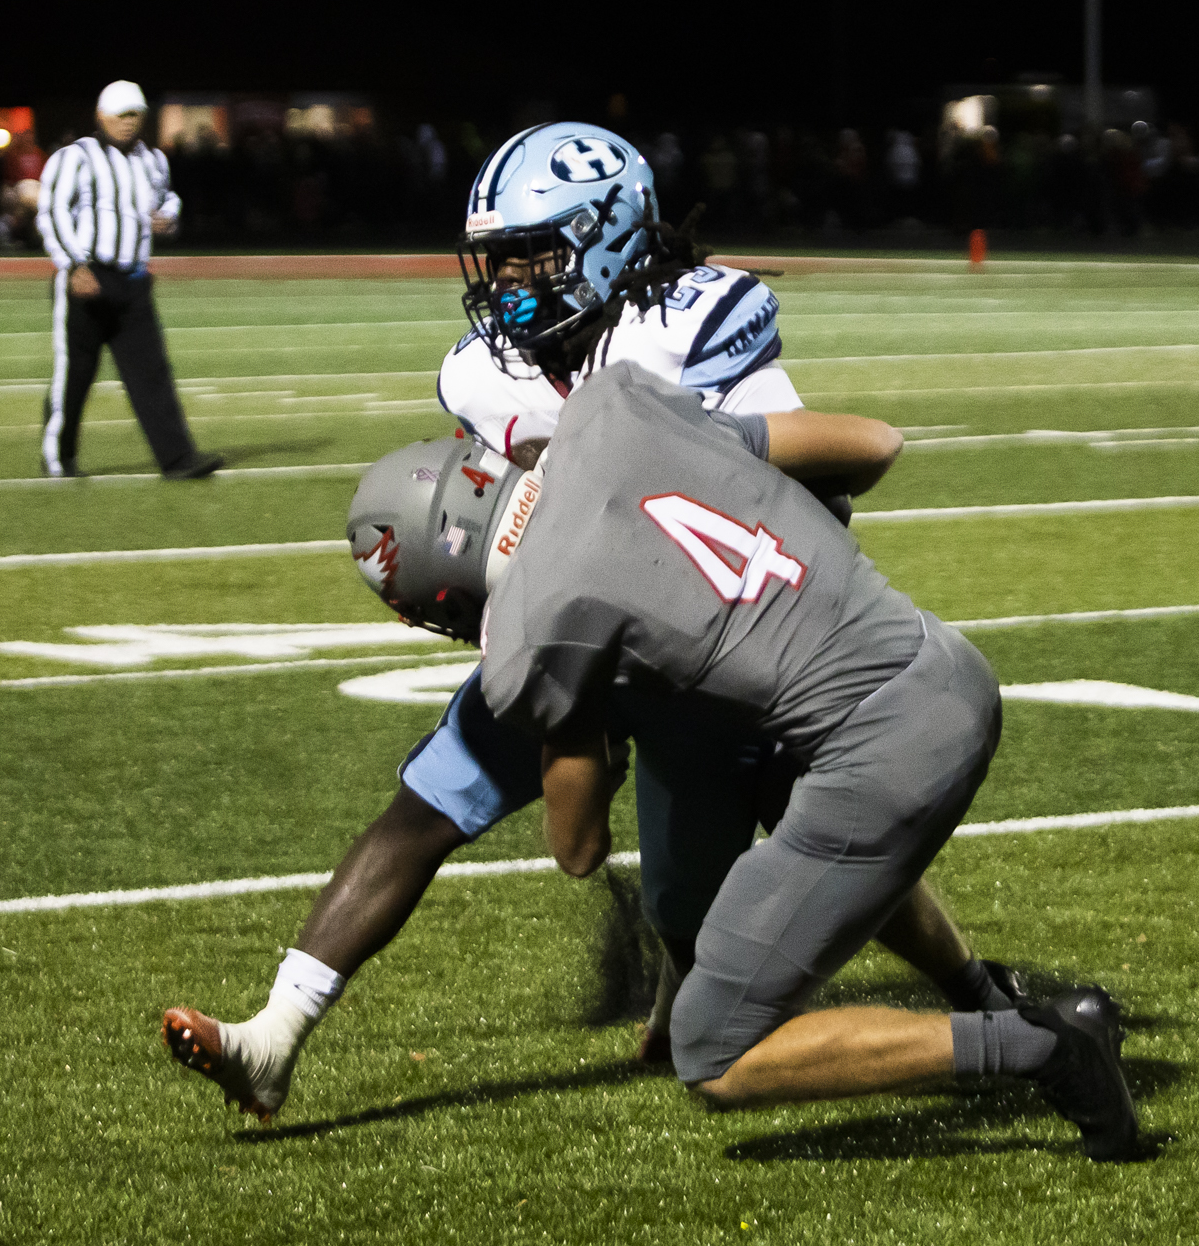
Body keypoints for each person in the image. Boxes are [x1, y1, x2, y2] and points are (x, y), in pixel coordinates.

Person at [161, 124, 1023, 1123]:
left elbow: (814, 488)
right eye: (496, 259)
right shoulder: (485, 370)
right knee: (428, 801)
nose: (504, 282)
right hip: (573, 629)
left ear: (605, 234)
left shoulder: (692, 324)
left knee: (809, 818)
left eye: (528, 253)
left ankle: (968, 990)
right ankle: (273, 1034)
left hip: (707, 638)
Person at [34, 80, 222, 480]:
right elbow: (52, 211)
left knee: (151, 372)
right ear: (101, 116)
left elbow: (167, 197)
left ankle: (177, 458)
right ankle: (58, 457)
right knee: (75, 374)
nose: (128, 122)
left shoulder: (152, 159)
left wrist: (168, 216)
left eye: (135, 114)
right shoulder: (76, 157)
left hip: (133, 281)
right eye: (121, 115)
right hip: (88, 277)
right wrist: (74, 265)